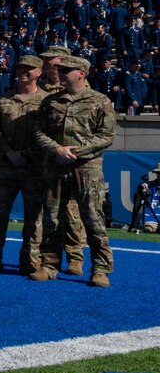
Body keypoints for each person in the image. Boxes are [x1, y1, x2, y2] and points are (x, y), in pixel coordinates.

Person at [31, 56, 117, 287]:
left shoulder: (100, 101)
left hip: (87, 168)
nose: (61, 73)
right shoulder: (51, 101)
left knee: (93, 219)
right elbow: (38, 132)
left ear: (82, 73)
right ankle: (49, 265)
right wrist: (56, 149)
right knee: (52, 217)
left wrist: (77, 151)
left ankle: (100, 269)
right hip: (56, 166)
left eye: (67, 70)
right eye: (60, 69)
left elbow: (107, 136)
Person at [0, 55, 46, 274]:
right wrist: (9, 152)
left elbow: (49, 134)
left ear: (39, 72)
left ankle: (30, 261)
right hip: (6, 166)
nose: (23, 72)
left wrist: (25, 154)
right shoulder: (3, 101)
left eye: (29, 69)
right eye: (20, 68)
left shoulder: (48, 102)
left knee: (33, 218)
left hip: (34, 167)